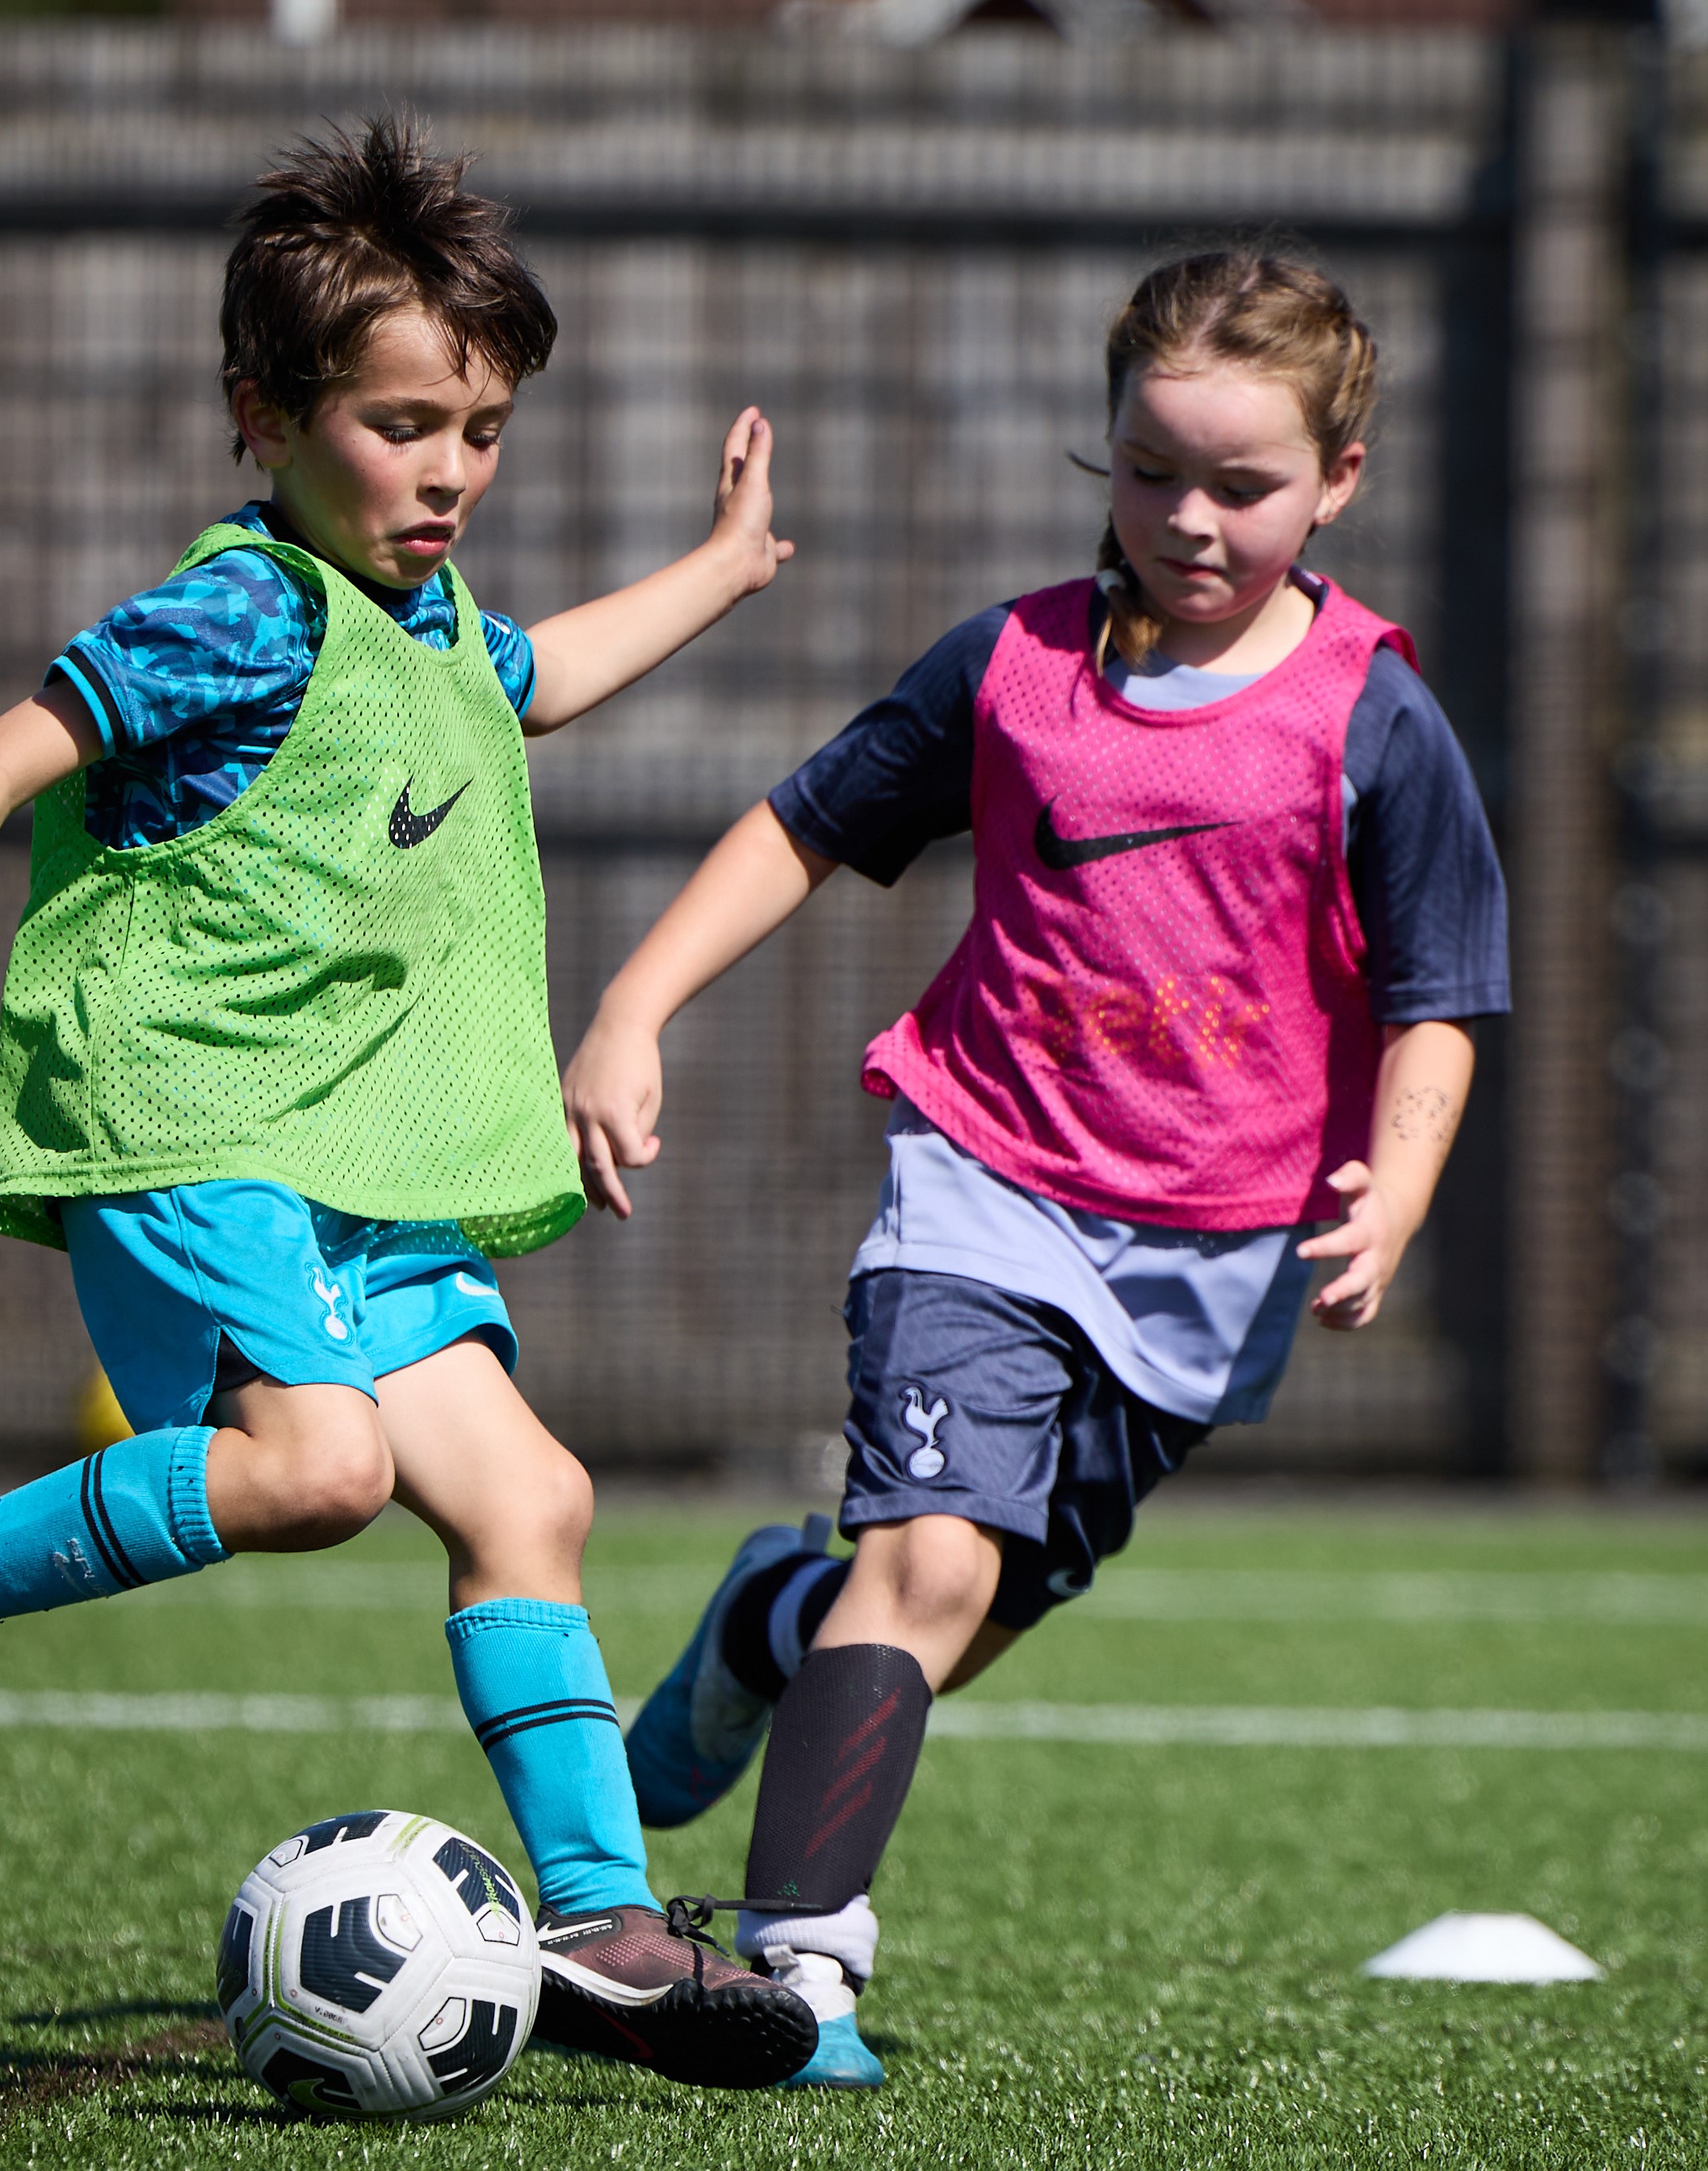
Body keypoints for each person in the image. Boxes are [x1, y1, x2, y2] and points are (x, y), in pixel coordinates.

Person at [0, 116, 817, 2091]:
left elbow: (538, 681)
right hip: (197, 1122)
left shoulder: (429, 631)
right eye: (406, 426)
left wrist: (728, 569)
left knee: (531, 1498)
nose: (451, 474)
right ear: (266, 414)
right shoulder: (236, 616)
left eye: (482, 431)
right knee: (315, 1472)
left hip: (358, 1158)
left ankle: (600, 1921)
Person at [562, 250, 1509, 2088]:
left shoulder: (1375, 720)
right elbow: (808, 822)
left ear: (1340, 482)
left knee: (958, 1612)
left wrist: (1398, 1182)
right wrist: (632, 1004)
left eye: (1244, 484)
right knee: (925, 1563)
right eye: (1154, 471)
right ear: (1108, 455)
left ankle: (765, 1627)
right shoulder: (1012, 670)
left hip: (1209, 1260)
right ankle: (796, 1976)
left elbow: (1440, 995)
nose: (1194, 518)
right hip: (982, 1192)